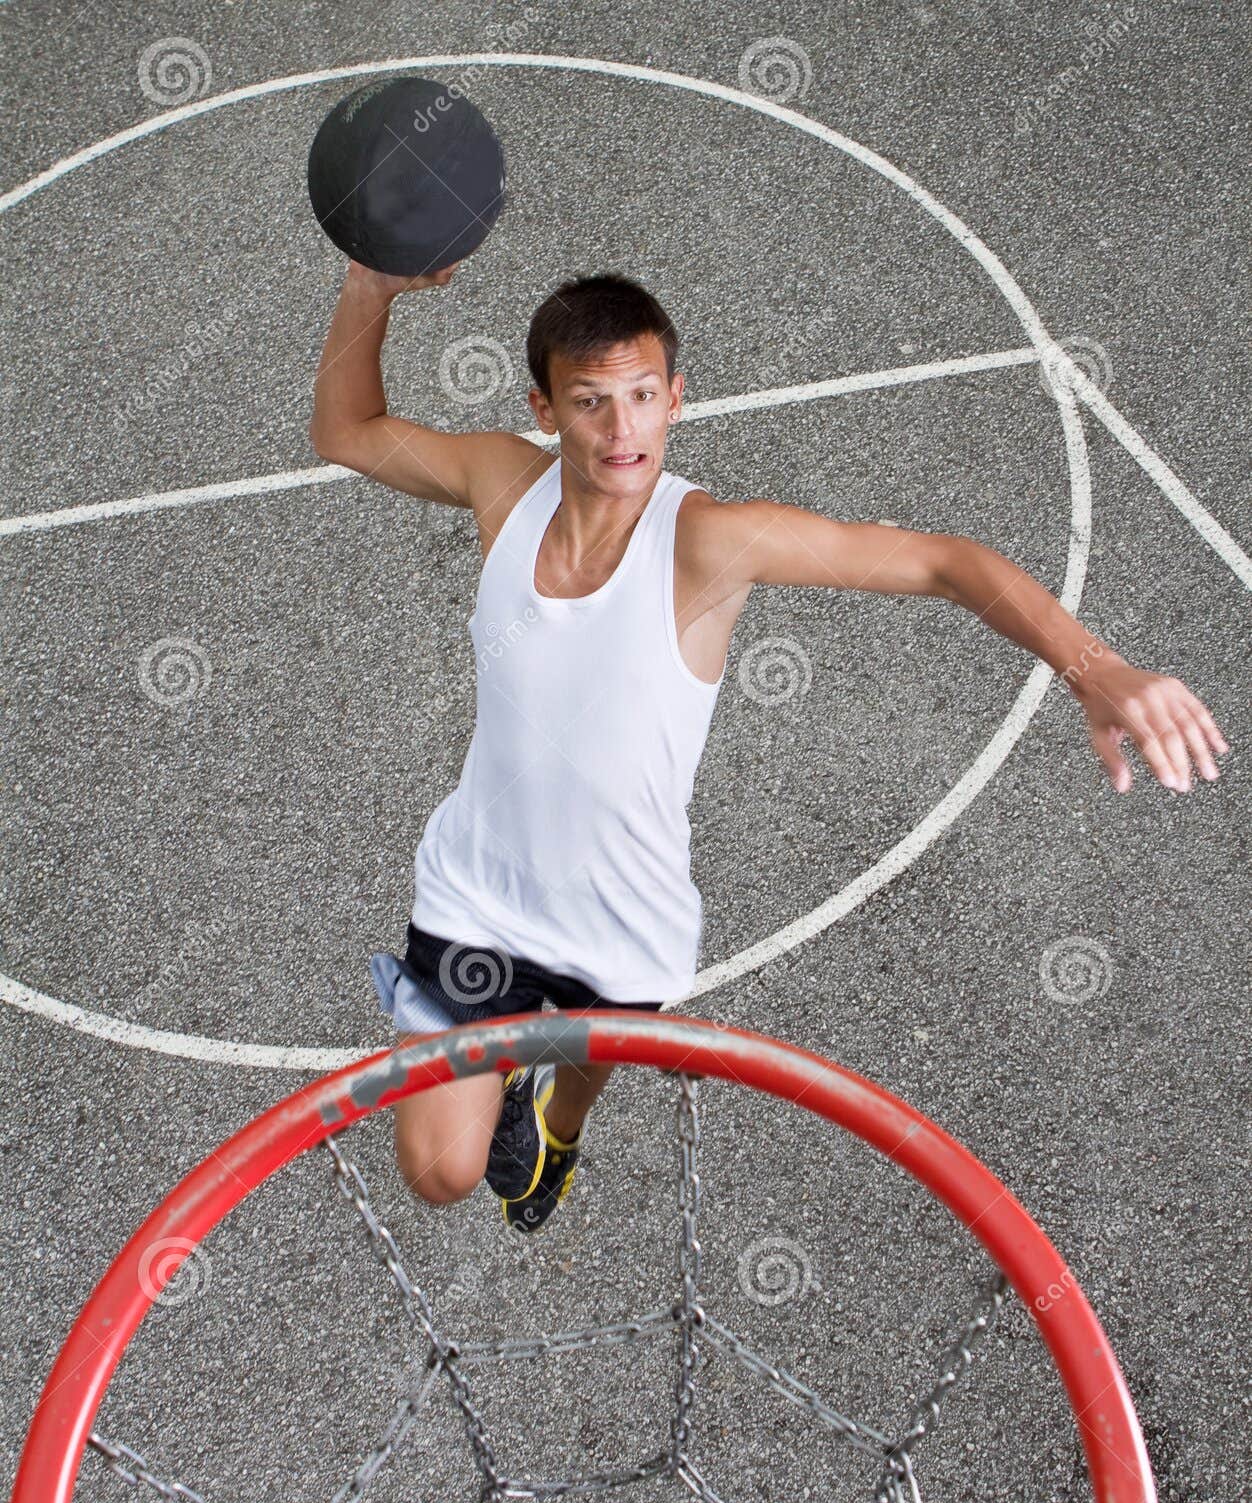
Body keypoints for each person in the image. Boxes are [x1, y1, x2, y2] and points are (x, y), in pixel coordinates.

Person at [309, 261, 1230, 1235]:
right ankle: (506, 1087)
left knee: (582, 1066)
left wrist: (1096, 670)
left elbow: (945, 563)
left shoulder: (710, 541)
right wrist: (369, 289)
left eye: (641, 398)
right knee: (443, 1172)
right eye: (590, 403)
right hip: (480, 893)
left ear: (674, 400)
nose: (622, 431)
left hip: (625, 908)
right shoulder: (501, 482)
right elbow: (345, 431)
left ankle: (555, 1126)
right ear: (544, 406)